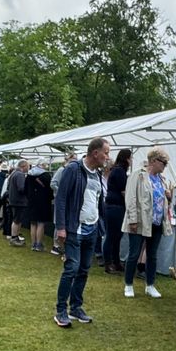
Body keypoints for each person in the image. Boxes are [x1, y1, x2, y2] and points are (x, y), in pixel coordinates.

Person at [53, 137, 110, 327]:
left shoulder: (98, 173)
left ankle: (76, 307)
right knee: (71, 268)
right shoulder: (73, 170)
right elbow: (61, 199)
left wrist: (100, 224)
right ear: (95, 153)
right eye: (106, 153)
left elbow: (97, 201)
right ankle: (61, 310)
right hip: (74, 228)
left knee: (84, 269)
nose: (108, 157)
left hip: (91, 228)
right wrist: (61, 227)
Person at [122, 147, 171, 299]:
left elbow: (160, 201)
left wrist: (168, 197)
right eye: (164, 162)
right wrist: (133, 219)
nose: (165, 166)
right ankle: (128, 284)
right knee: (134, 253)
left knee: (152, 255)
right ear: (154, 161)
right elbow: (131, 198)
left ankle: (150, 285)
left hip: (156, 222)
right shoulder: (138, 176)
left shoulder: (162, 180)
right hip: (140, 221)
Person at [103, 149, 131, 274]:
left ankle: (115, 261)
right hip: (115, 207)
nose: (131, 161)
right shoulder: (119, 171)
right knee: (111, 236)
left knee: (116, 236)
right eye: (131, 158)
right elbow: (124, 192)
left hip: (113, 206)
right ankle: (108, 263)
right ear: (126, 158)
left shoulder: (117, 170)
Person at [50, 153, 77, 256]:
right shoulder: (61, 170)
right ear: (68, 159)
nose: (75, 161)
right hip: (61, 200)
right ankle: (56, 246)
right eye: (73, 159)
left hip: (67, 201)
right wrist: (62, 192)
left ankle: (61, 245)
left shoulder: (72, 170)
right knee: (59, 222)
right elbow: (53, 183)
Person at [26, 159, 53, 251]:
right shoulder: (46, 175)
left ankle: (33, 244)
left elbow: (26, 189)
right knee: (41, 223)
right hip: (43, 202)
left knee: (33, 223)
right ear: (42, 165)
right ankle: (38, 244)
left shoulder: (29, 175)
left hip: (32, 202)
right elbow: (50, 190)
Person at [7, 160, 29, 245]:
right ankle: (14, 238)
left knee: (17, 219)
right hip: (19, 201)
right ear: (23, 166)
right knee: (17, 220)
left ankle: (15, 237)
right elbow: (21, 188)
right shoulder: (20, 174)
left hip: (14, 200)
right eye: (28, 166)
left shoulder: (14, 173)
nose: (28, 168)